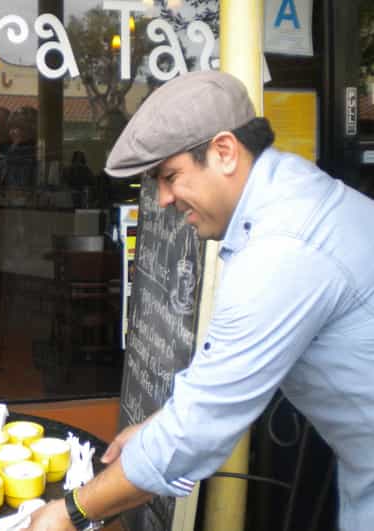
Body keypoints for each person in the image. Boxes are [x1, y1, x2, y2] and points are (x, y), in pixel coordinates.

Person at [29, 70, 374, 531]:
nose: (164, 198)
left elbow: (196, 431)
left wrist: (71, 512)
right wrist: (156, 429)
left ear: (225, 152)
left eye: (171, 177)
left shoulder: (282, 249)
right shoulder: (286, 187)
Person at [0, 106, 38, 188]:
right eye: (10, 128)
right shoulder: (11, 154)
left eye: (16, 128)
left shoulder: (37, 156)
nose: (11, 133)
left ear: (30, 129)